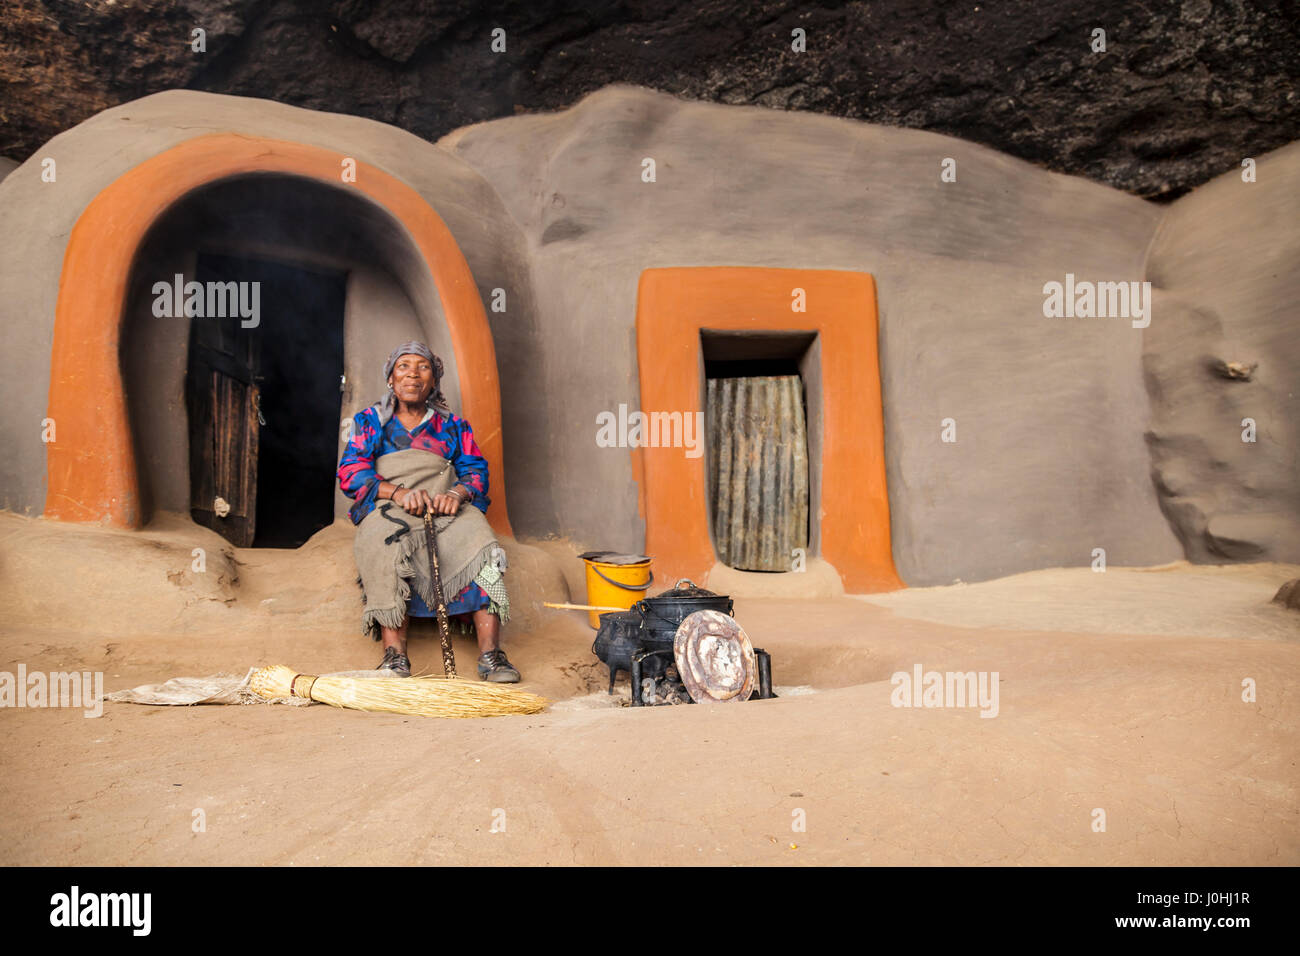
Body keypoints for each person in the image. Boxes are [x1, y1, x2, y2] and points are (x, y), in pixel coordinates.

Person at [337, 341, 520, 682]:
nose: (413, 374)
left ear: (434, 380)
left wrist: (458, 492)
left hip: (444, 508)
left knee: (484, 544)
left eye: (422, 367)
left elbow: (476, 470)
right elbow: (351, 472)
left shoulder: (453, 426)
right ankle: (394, 656)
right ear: (391, 379)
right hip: (391, 508)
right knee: (382, 544)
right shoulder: (371, 421)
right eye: (403, 366)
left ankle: (491, 655)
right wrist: (397, 492)